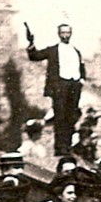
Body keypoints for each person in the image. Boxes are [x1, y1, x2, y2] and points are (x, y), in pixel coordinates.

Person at [26, 24, 86, 156]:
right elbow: (35, 56)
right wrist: (31, 43)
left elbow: (81, 66)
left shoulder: (75, 51)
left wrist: (81, 79)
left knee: (71, 117)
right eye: (63, 32)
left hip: (74, 85)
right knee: (60, 117)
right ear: (59, 34)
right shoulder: (53, 50)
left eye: (68, 32)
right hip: (60, 86)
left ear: (71, 33)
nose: (65, 35)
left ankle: (68, 146)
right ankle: (60, 148)